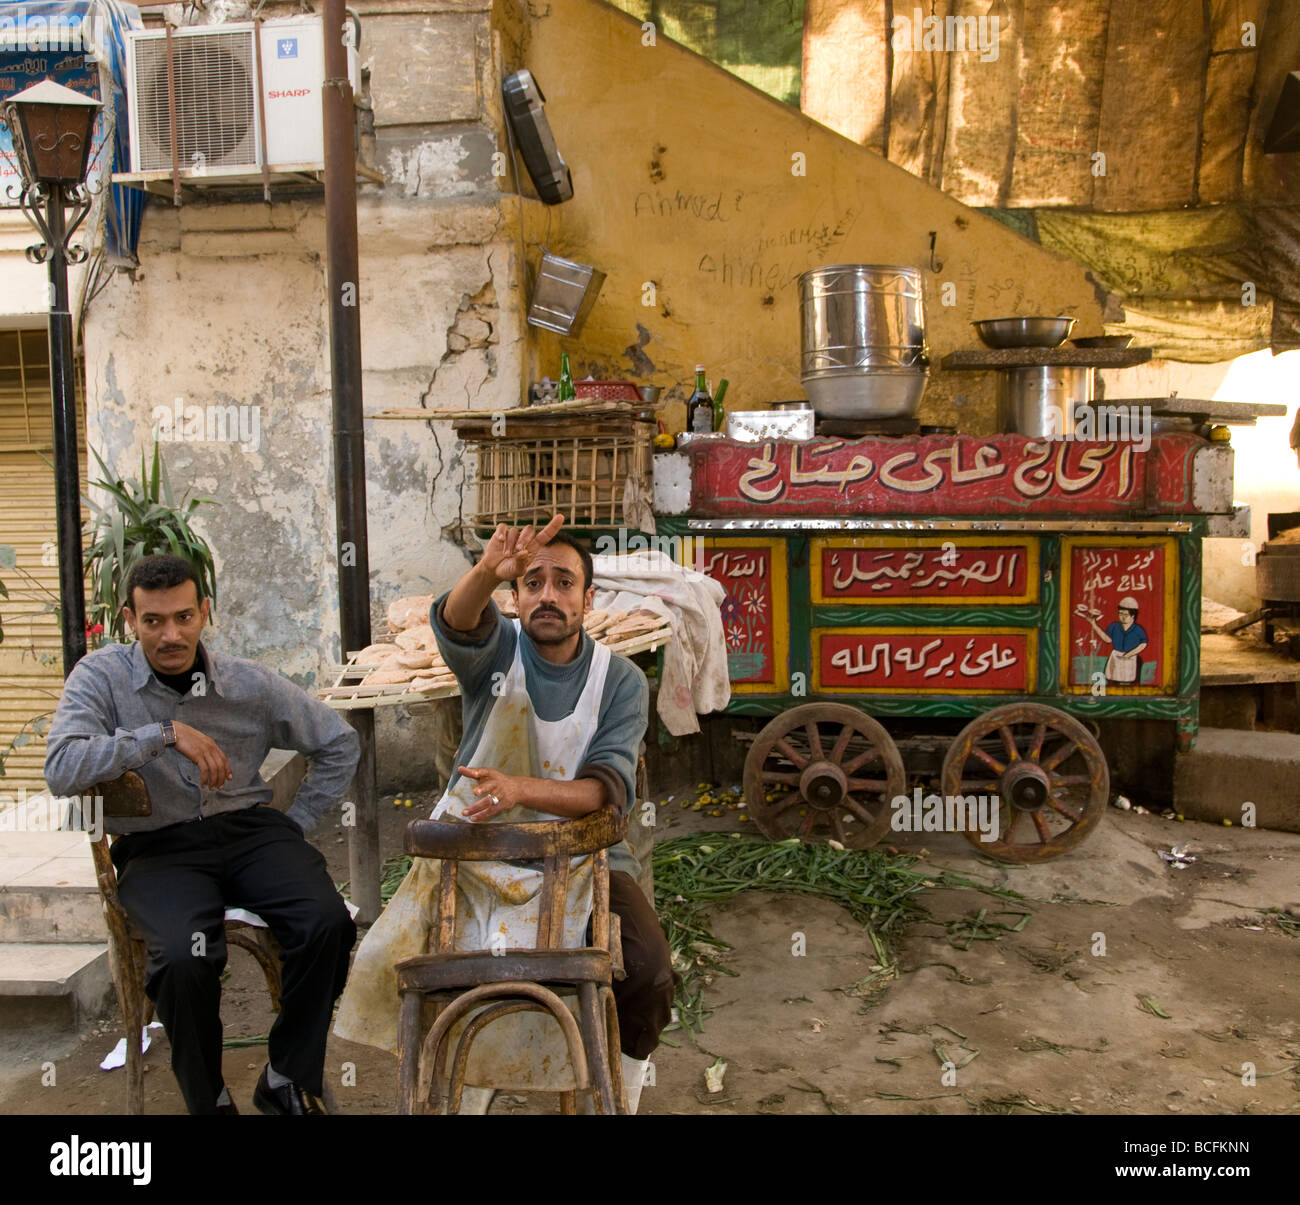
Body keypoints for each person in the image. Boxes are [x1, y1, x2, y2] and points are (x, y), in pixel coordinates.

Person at [334, 515, 675, 1112]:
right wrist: (488, 568)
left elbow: (603, 791)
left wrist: (521, 788)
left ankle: (615, 1096)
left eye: (564, 583)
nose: (549, 595)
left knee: (646, 971)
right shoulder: (497, 655)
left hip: (583, 855)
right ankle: (472, 1081)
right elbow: (456, 621)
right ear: (515, 598)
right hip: (475, 855)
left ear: (587, 599)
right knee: (454, 973)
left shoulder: (618, 680)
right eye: (534, 583)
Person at [44, 554, 360, 1116]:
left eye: (184, 617)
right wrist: (162, 734)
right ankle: (208, 1099)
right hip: (158, 847)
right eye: (154, 621)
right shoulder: (101, 677)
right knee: (185, 959)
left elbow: (338, 741)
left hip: (251, 833)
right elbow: (62, 768)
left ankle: (286, 1074)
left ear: (205, 612)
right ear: (129, 620)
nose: (171, 634)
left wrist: (296, 824)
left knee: (327, 921)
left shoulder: (247, 683)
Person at [1076, 595, 1148, 684]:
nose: (1123, 617)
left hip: (1132, 658)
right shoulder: (1114, 626)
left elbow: (1143, 644)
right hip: (1116, 657)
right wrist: (1094, 624)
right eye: (1120, 614)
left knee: (1133, 683)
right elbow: (1107, 639)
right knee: (1112, 681)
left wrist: (1129, 654)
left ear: (1133, 616)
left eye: (1126, 615)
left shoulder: (1138, 629)